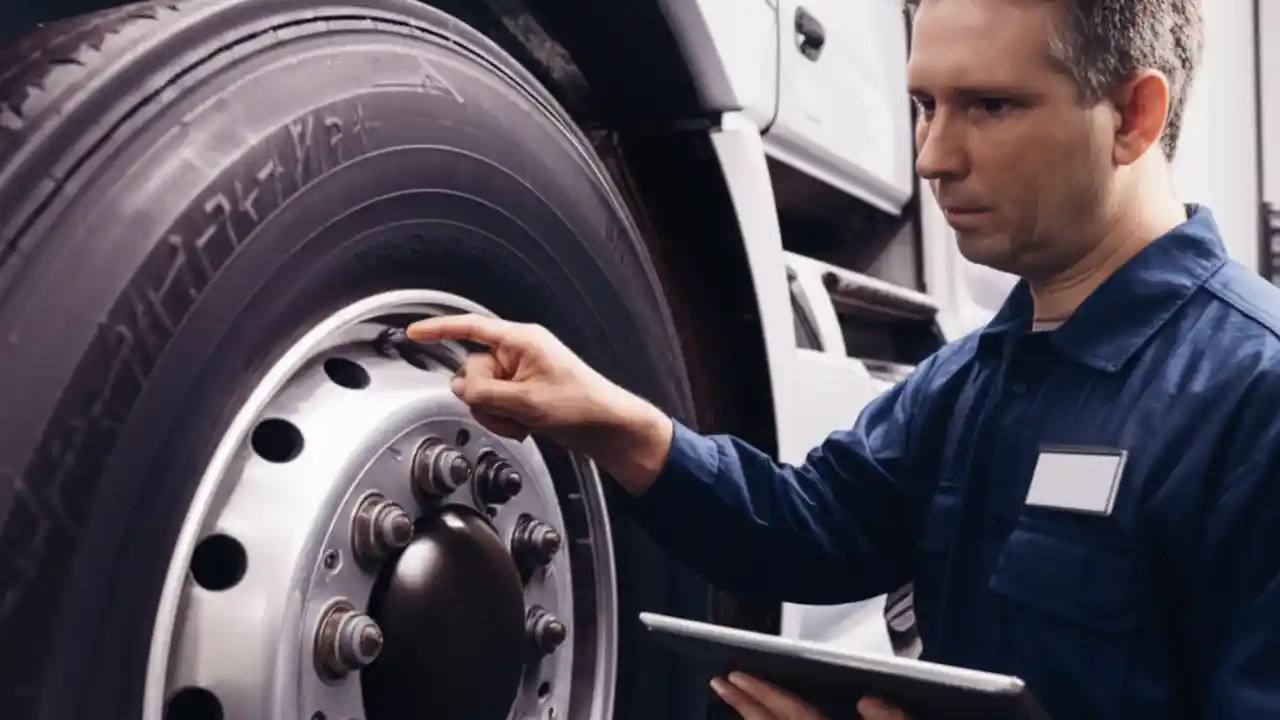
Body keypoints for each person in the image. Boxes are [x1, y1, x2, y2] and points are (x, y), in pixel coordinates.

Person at [408, 0, 1280, 717]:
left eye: (989, 106)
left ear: (1133, 116)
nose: (934, 158)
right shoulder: (971, 381)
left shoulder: (1255, 398)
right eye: (925, 105)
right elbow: (810, 532)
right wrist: (615, 424)